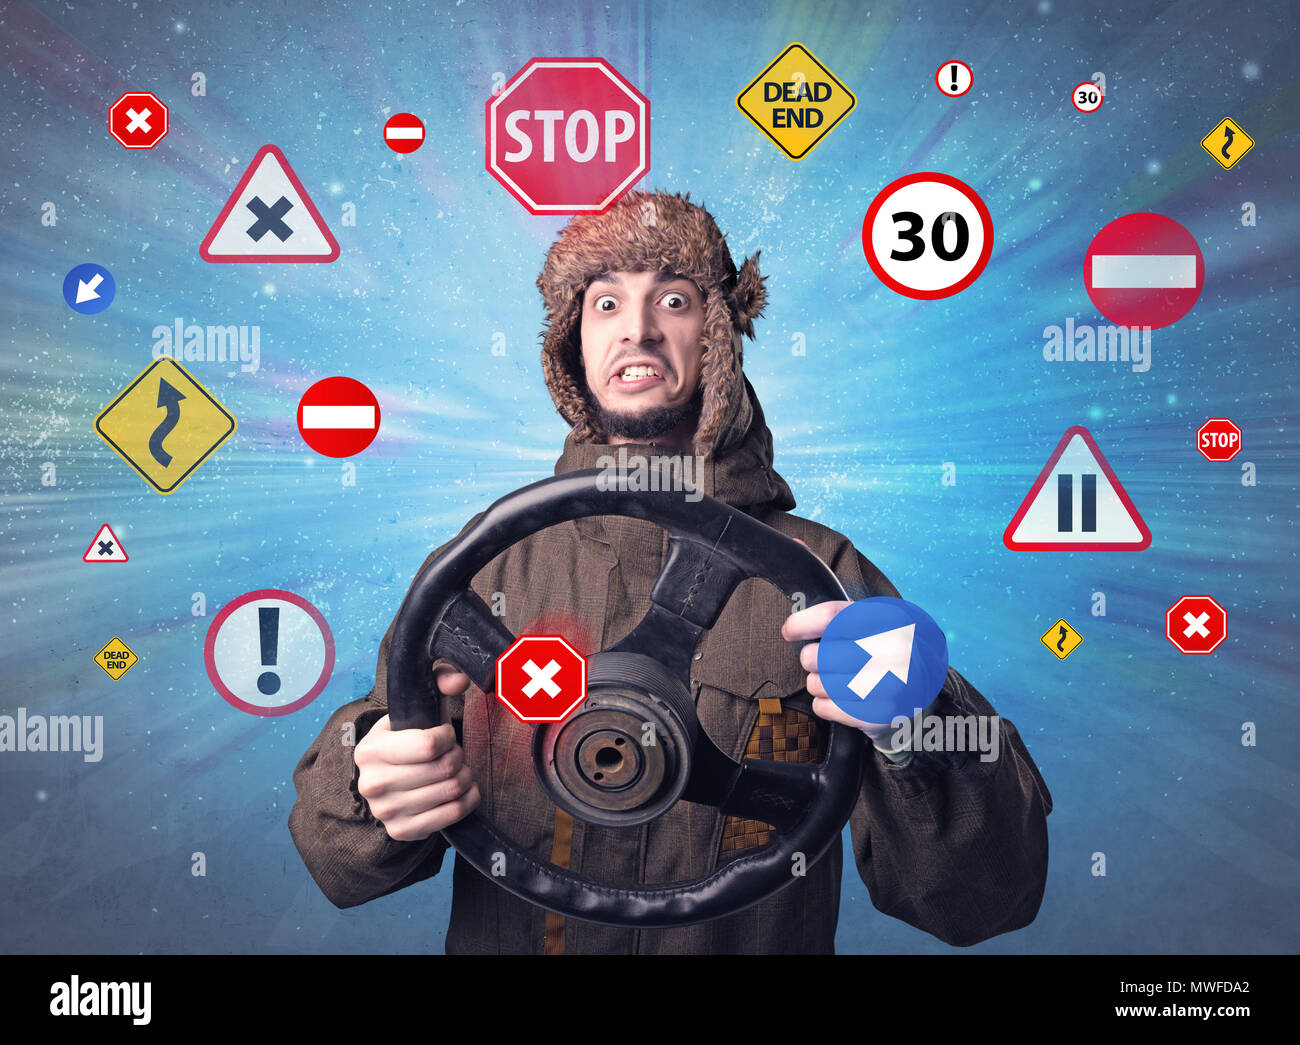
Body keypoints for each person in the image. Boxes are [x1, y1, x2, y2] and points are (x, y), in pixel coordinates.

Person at [288, 190, 1052, 954]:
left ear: (717, 335)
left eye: (674, 299)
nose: (638, 328)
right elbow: (337, 865)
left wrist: (919, 718)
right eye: (606, 302)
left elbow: (985, 900)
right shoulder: (483, 572)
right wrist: (374, 779)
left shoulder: (825, 575)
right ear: (573, 348)